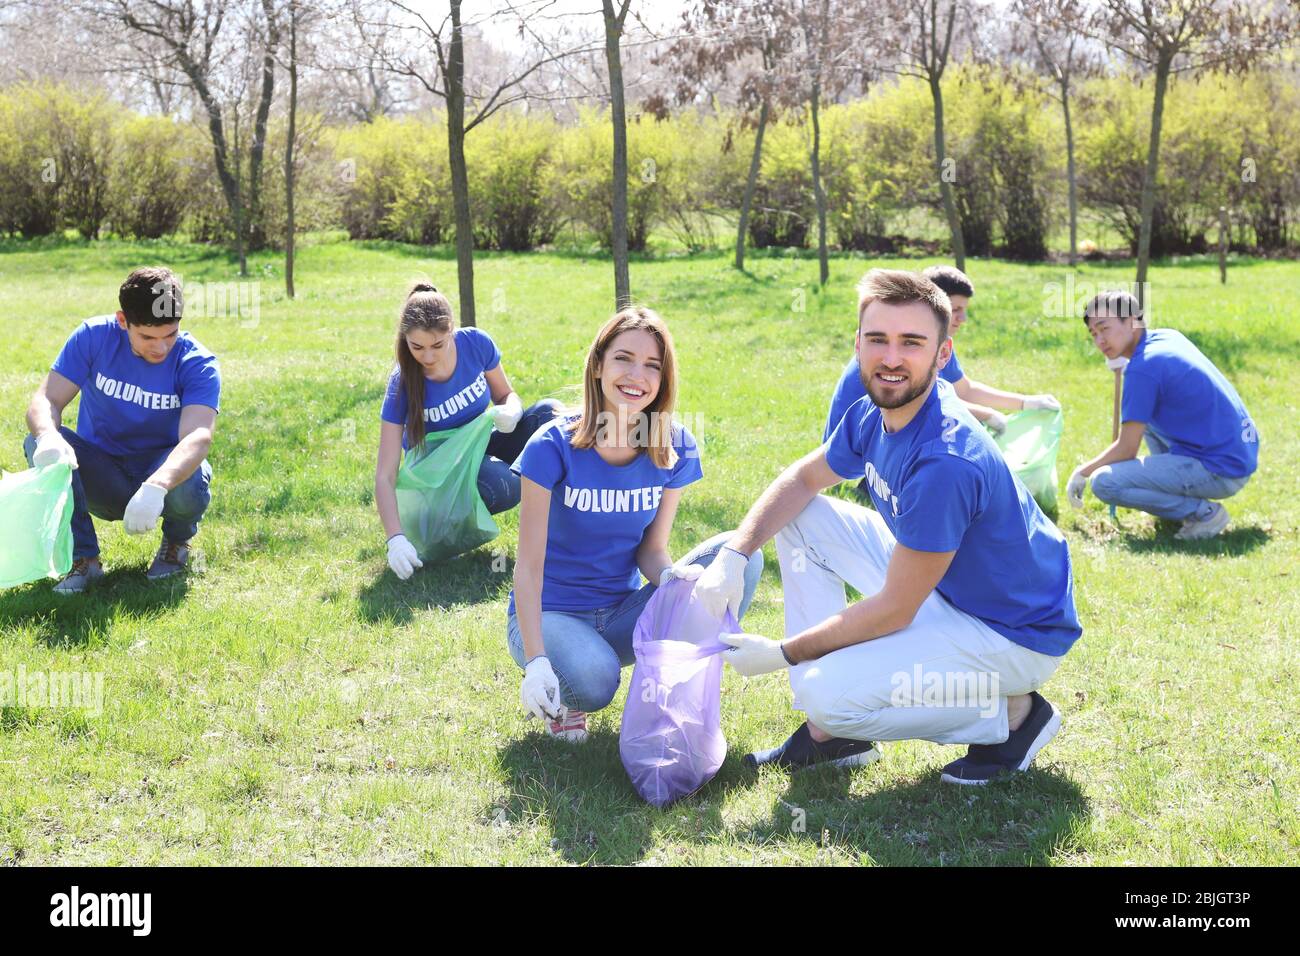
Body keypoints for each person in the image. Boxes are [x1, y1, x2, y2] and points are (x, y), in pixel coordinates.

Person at [695, 269, 1081, 785]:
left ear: (943, 356)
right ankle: (832, 737)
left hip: (1011, 632)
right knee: (802, 516)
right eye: (878, 339)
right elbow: (805, 477)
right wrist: (734, 555)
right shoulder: (872, 414)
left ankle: (1013, 717)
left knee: (825, 693)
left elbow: (896, 610)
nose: (891, 358)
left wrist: (784, 654)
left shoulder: (945, 460)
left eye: (911, 343)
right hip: (946, 588)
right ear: (858, 345)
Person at [508, 306, 764, 743]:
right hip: (551, 614)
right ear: (598, 365)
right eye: (624, 358)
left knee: (741, 555)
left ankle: (671, 691)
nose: (636, 375)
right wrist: (535, 661)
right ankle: (562, 689)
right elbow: (528, 567)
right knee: (596, 679)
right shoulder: (551, 446)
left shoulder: (673, 444)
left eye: (652, 366)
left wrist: (669, 577)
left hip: (623, 613)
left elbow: (651, 549)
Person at [23, 267, 220, 594]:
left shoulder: (197, 362)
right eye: (148, 337)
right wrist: (47, 437)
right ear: (123, 320)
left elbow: (198, 436)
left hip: (163, 478)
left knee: (194, 473)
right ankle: (84, 561)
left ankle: (175, 545)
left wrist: (157, 485)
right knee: (36, 442)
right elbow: (47, 399)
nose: (160, 349)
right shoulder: (93, 336)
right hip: (100, 471)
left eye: (169, 335)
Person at [376, 282, 560, 579]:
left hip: (480, 444)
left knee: (549, 416)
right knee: (507, 484)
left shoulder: (475, 343)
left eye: (438, 345)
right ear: (405, 339)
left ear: (452, 331)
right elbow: (385, 474)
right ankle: (445, 531)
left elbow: (505, 394)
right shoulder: (402, 384)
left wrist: (512, 409)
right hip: (440, 479)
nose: (428, 357)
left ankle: (567, 528)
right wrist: (395, 538)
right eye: (417, 347)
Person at [1067, 291, 1259, 540]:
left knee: (1104, 482)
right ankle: (1174, 506)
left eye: (1105, 328)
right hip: (1240, 451)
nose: (1100, 340)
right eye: (1094, 334)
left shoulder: (1143, 368)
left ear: (1133, 320)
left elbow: (1126, 449)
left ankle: (1205, 513)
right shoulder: (1167, 337)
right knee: (1140, 417)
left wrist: (1082, 472)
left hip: (1221, 468)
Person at [823, 265, 1059, 442]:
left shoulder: (934, 344)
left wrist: (1027, 403)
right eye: (955, 310)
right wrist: (985, 415)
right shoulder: (894, 352)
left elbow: (965, 389)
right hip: (853, 454)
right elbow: (919, 405)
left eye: (963, 310)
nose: (962, 318)